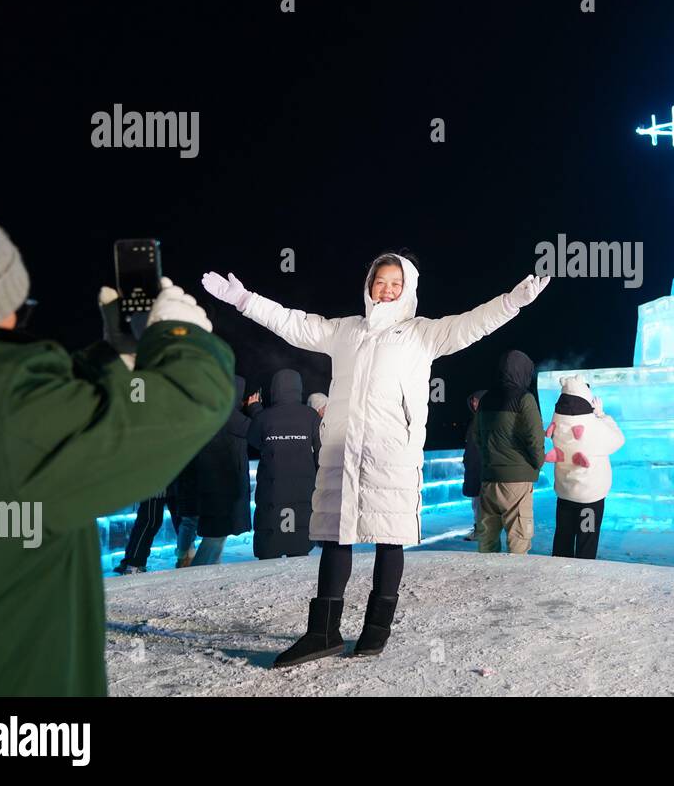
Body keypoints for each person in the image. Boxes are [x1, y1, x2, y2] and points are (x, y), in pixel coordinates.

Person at [0, 188, 235, 696]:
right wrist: (181, 337)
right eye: (16, 311)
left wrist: (114, 357)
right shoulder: (0, 415)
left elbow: (38, 417)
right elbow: (191, 396)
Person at [201, 254, 548, 667]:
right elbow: (292, 323)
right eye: (380, 281)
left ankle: (376, 628)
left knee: (389, 538)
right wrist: (244, 299)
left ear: (408, 288)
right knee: (334, 536)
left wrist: (513, 301)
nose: (386, 288)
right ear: (368, 284)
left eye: (395, 283)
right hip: (342, 451)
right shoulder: (346, 331)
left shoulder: (422, 334)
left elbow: (473, 323)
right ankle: (322, 632)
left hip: (391, 453)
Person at [547, 375, 625, 560]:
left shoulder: (558, 424)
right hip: (589, 499)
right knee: (586, 537)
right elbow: (618, 440)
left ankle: (558, 570)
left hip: (565, 495)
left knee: (563, 537)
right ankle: (583, 572)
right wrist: (601, 414)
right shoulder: (594, 427)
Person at [247, 368, 321, 560]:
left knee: (271, 535)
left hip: (273, 488)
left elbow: (254, 441)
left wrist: (255, 410)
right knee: (298, 539)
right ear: (298, 388)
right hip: (302, 488)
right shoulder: (310, 416)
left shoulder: (264, 417)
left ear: (274, 389)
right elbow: (319, 449)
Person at [476, 350, 546, 554]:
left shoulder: (487, 398)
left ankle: (486, 581)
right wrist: (537, 462)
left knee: (487, 539)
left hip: (489, 479)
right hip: (517, 480)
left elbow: (477, 436)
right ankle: (514, 584)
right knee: (518, 538)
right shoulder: (524, 398)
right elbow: (535, 437)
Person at [184, 375, 253, 566]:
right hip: (224, 489)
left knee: (216, 537)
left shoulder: (212, 414)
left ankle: (207, 570)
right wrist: (254, 408)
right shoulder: (232, 417)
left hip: (212, 487)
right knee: (215, 538)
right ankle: (196, 574)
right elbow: (258, 431)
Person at [461, 389, 486, 541]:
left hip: (482, 469)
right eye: (473, 401)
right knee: (477, 503)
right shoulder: (475, 420)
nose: (474, 403)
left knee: (483, 503)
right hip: (473, 468)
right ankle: (480, 529)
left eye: (477, 401)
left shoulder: (486, 421)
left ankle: (483, 531)